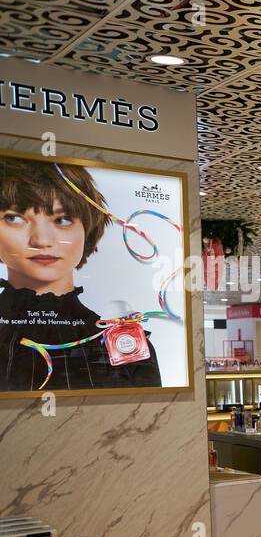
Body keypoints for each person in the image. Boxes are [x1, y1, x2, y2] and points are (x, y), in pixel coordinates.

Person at [0, 158, 161, 392]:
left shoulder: (124, 344)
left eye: (62, 220)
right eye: (15, 218)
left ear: (87, 229)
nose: (42, 240)